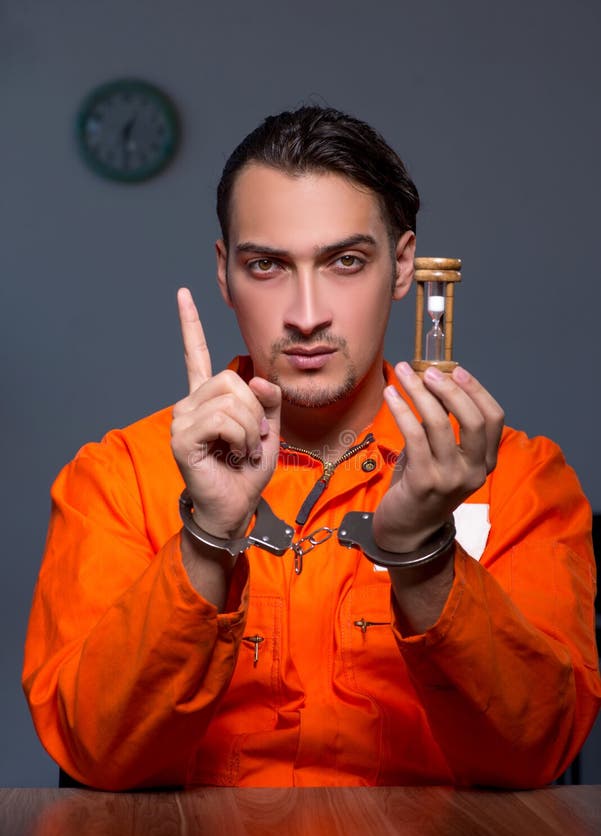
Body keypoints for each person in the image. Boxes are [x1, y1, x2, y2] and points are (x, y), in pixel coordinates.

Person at [23, 107, 600, 790]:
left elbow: (535, 753)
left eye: (345, 262)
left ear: (403, 266)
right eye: (267, 265)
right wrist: (207, 538)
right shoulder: (118, 477)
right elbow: (95, 753)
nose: (305, 315)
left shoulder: (518, 477)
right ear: (224, 274)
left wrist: (423, 555)